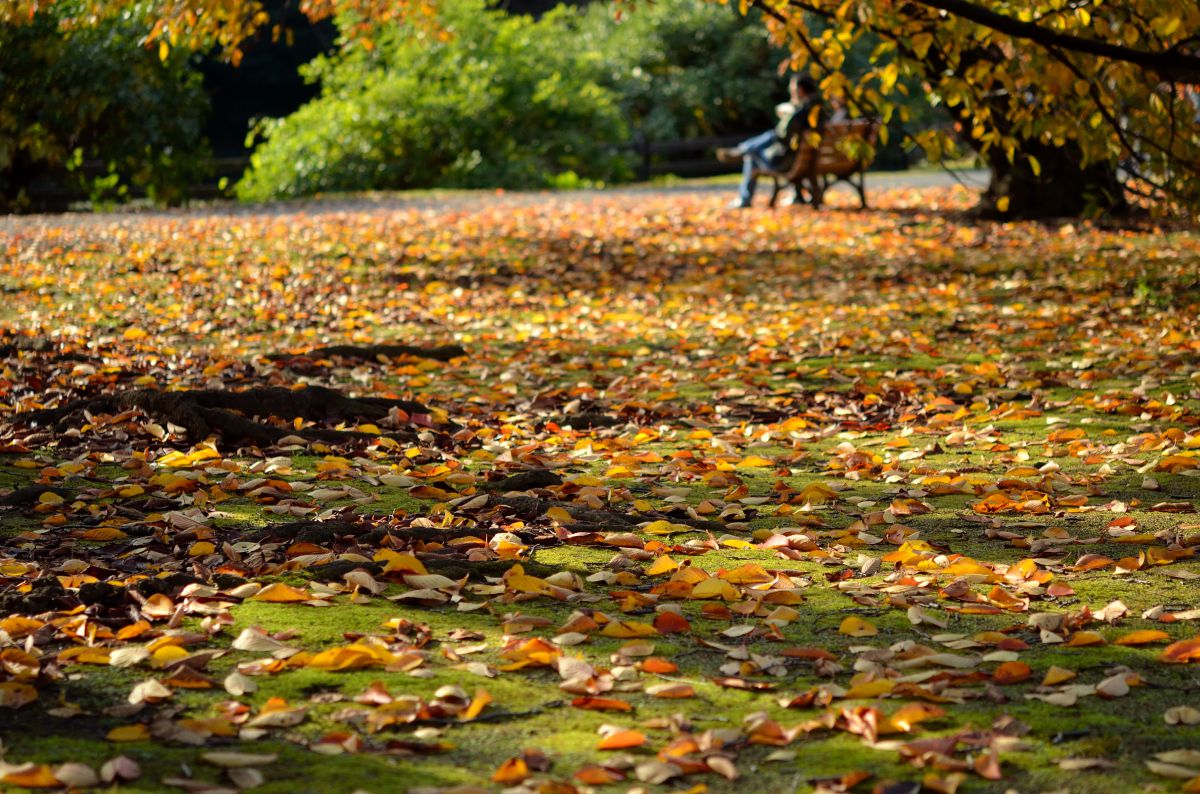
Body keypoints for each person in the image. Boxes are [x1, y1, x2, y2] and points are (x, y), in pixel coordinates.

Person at [716, 75, 823, 208]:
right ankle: (743, 149)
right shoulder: (820, 110)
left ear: (800, 90)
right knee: (767, 138)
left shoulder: (801, 113)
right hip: (807, 160)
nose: (791, 91)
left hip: (787, 162)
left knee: (753, 155)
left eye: (792, 88)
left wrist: (786, 116)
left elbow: (782, 135)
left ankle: (745, 198)